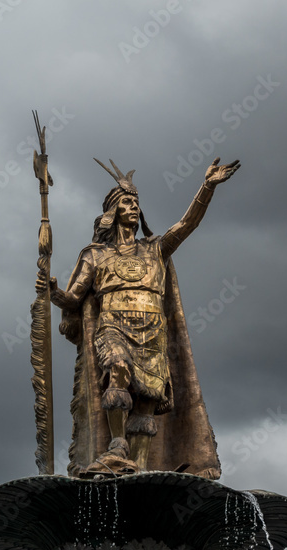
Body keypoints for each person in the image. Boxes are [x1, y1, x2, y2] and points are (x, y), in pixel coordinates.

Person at [49, 156, 239, 478]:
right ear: (112, 211)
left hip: (153, 331)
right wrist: (52, 289)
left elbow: (186, 225)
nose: (133, 207)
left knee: (148, 401)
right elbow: (72, 298)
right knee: (118, 369)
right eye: (126, 202)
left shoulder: (155, 250)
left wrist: (206, 186)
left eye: (136, 202)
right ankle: (117, 446)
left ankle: (137, 467)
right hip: (113, 326)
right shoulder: (95, 255)